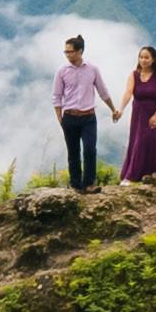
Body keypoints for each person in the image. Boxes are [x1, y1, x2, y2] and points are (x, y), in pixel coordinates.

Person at [49, 34, 115, 193]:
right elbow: (56, 96)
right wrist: (60, 117)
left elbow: (102, 91)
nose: (68, 55)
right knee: (73, 152)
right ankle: (75, 185)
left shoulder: (92, 69)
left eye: (71, 51)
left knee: (90, 149)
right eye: (66, 52)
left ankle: (89, 184)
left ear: (80, 51)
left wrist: (113, 109)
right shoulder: (62, 71)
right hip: (69, 116)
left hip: (88, 117)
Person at [119, 45, 156, 182]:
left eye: (146, 57)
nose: (143, 60)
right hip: (138, 114)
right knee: (137, 142)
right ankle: (131, 176)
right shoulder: (134, 75)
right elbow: (128, 93)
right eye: (141, 57)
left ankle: (154, 175)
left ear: (153, 59)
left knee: (152, 143)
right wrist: (121, 108)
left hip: (153, 114)